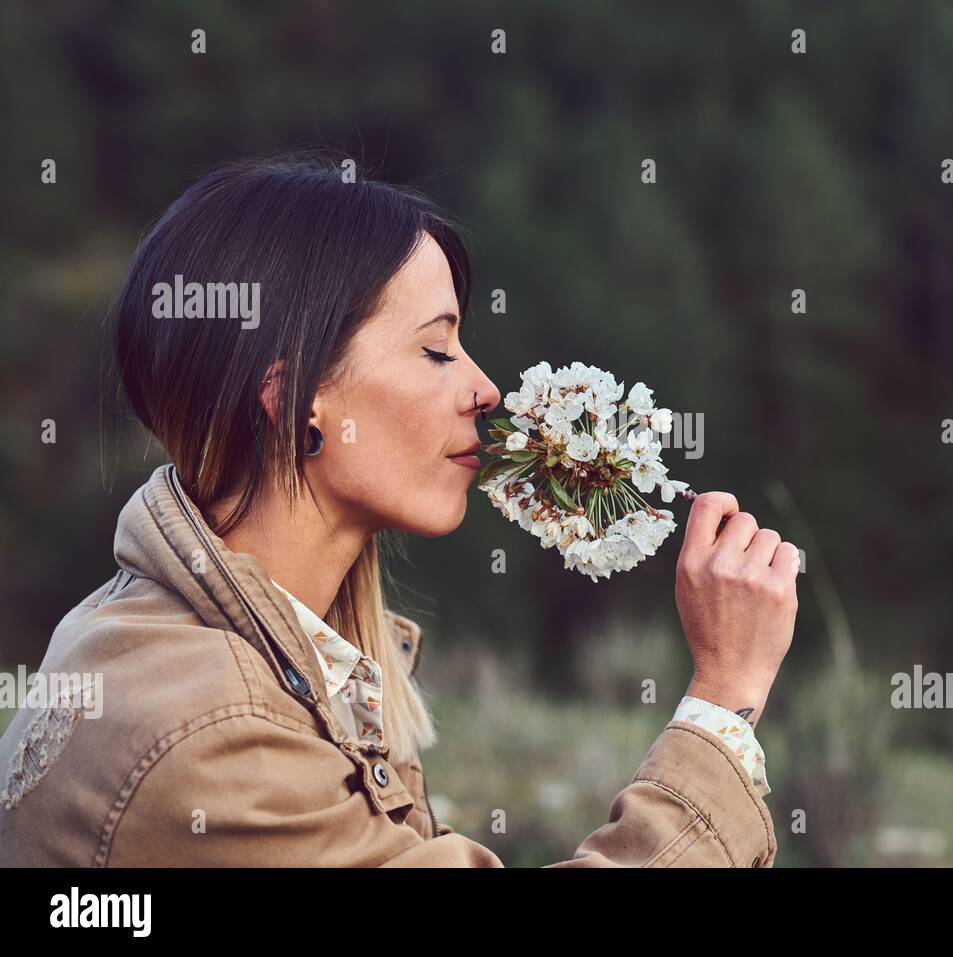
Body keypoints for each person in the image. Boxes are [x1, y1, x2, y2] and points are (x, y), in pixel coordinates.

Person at [0, 154, 799, 866]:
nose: (485, 389)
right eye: (436, 349)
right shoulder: (213, 733)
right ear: (294, 399)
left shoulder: (220, 648)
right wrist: (725, 693)